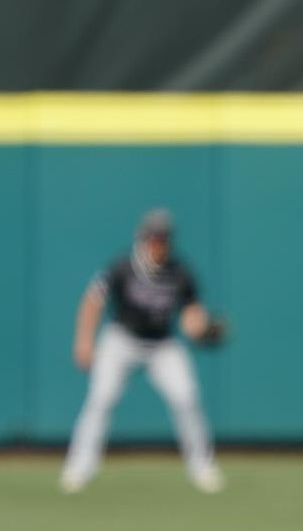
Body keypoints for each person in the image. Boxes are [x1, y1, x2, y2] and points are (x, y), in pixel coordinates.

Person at [59, 208, 225, 494]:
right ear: (143, 239)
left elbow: (190, 317)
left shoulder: (180, 272)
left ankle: (202, 466)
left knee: (186, 397)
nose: (160, 244)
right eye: (154, 238)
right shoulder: (123, 267)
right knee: (101, 399)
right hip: (122, 340)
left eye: (164, 239)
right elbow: (92, 301)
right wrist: (84, 340)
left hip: (162, 344)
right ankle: (79, 466)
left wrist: (203, 330)